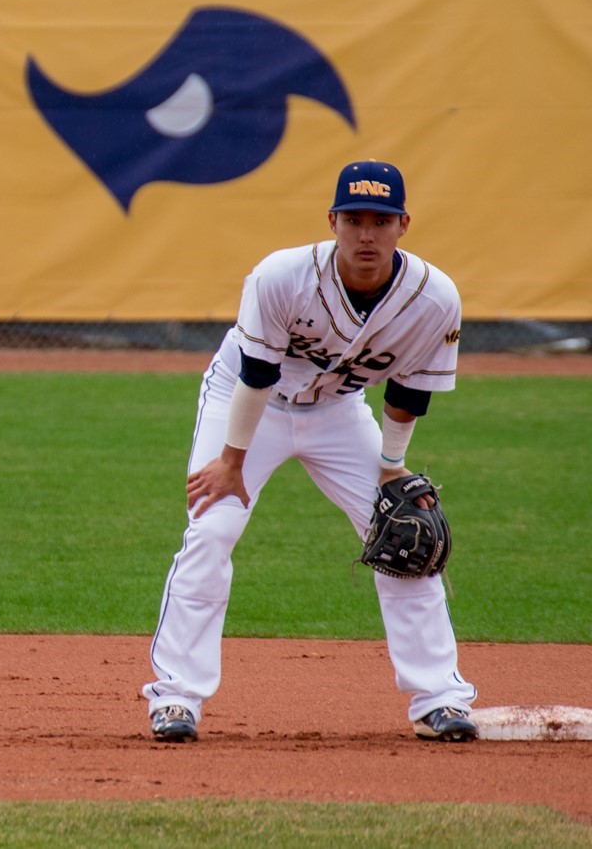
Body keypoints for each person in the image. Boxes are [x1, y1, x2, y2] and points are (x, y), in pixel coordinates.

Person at [142, 160, 478, 744]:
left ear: (404, 224)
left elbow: (409, 391)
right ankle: (175, 699)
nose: (366, 233)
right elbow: (254, 374)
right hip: (247, 406)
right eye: (353, 219)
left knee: (405, 536)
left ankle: (439, 700)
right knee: (212, 529)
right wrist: (231, 461)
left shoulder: (434, 297)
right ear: (332, 221)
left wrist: (392, 469)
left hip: (340, 413)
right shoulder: (283, 276)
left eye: (380, 219)